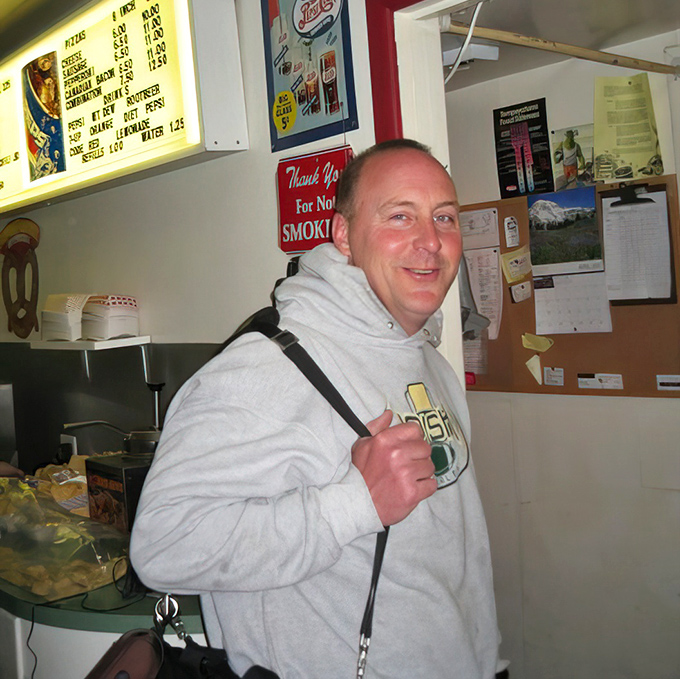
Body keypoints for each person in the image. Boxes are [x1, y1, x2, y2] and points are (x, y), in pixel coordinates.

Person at [130, 139, 503, 679]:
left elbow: (455, 560)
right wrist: (353, 504)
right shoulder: (267, 368)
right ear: (343, 236)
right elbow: (162, 546)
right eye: (401, 216)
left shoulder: (429, 363)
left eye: (444, 218)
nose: (430, 241)